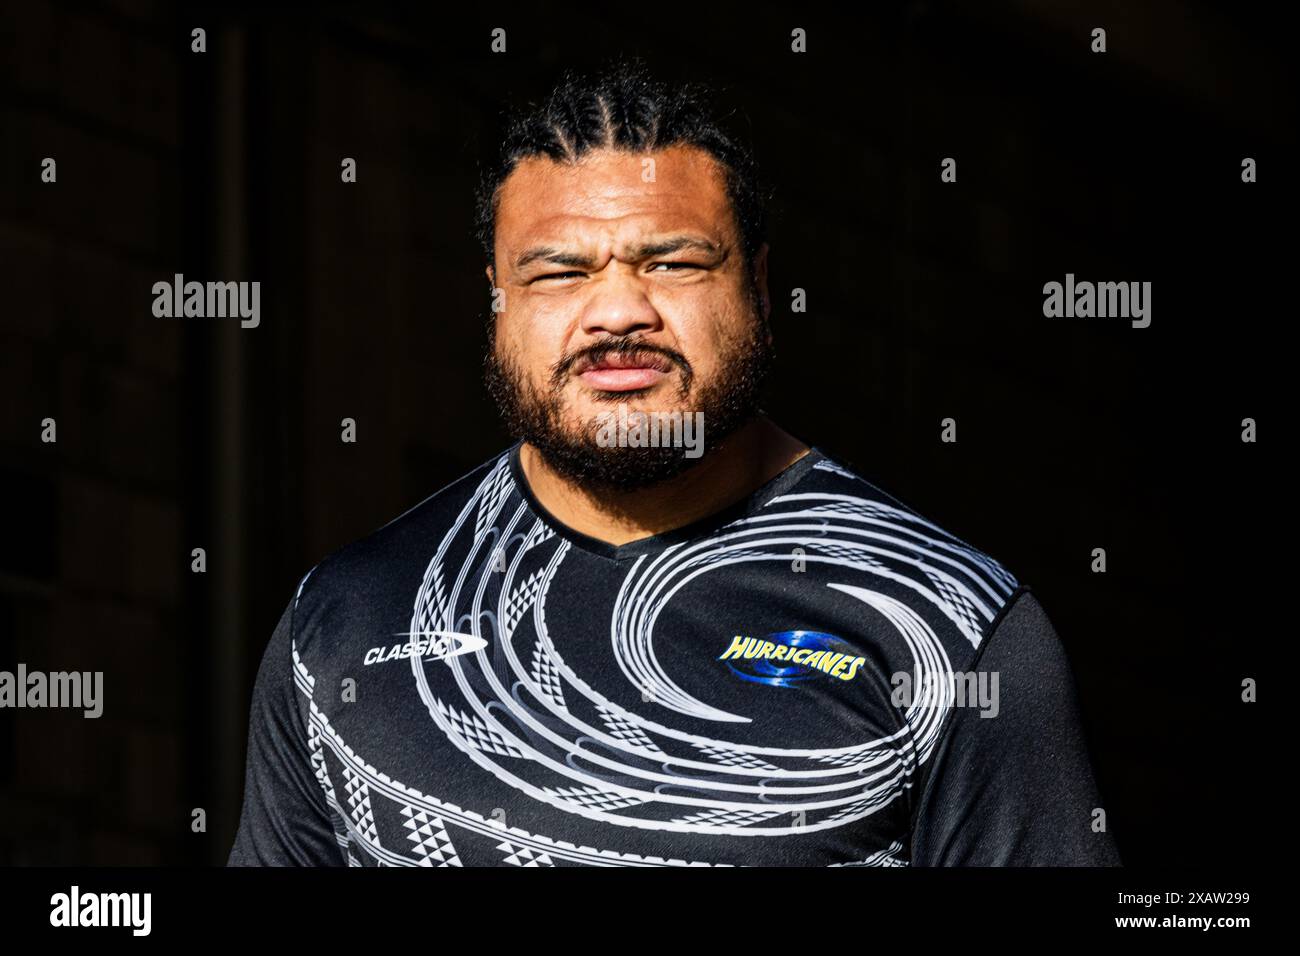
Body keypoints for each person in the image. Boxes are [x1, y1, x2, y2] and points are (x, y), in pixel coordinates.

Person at [227, 58, 1120, 867]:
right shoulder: (339, 622)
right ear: (495, 305)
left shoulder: (949, 628)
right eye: (558, 273)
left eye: (674, 263)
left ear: (760, 289)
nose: (618, 312)